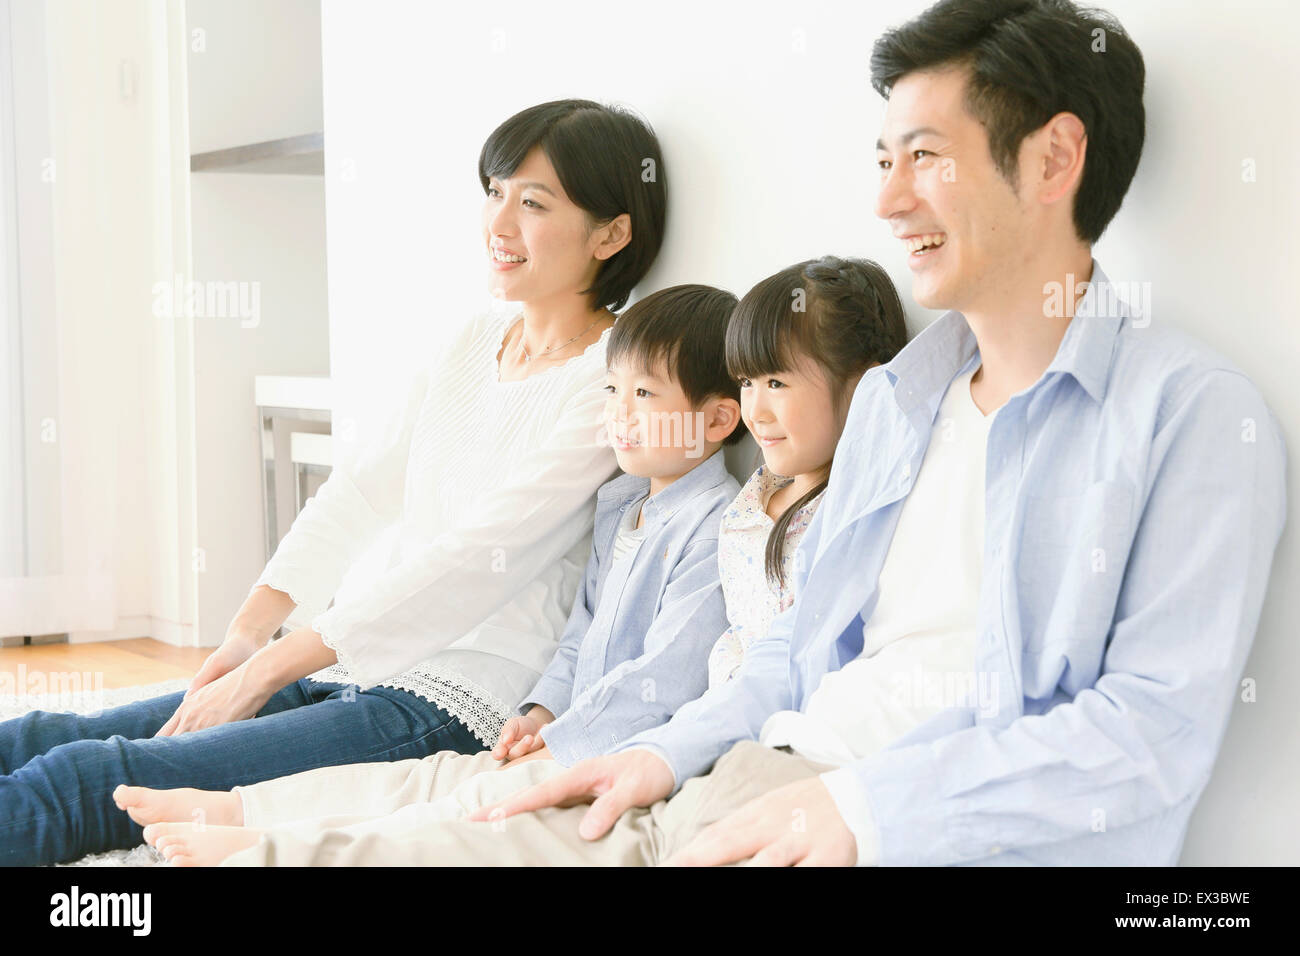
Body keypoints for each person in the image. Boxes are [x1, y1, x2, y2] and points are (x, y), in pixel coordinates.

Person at [163, 0, 1282, 867]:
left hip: (917, 830)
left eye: (927, 156)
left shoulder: (1188, 417)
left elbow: (1148, 735)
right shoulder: (899, 399)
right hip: (755, 778)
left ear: (1052, 160)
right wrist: (653, 749)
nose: (890, 202)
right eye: (882, 160)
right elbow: (800, 648)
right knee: (332, 849)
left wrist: (853, 806)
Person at [0, 98, 668, 866]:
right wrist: (249, 638)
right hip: (348, 660)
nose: (500, 224)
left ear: (612, 233)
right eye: (493, 193)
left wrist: (269, 673)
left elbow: (471, 562)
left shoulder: (614, 381)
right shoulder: (473, 342)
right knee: (45, 734)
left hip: (451, 700)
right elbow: (359, 492)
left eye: (534, 203)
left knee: (90, 779)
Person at [138, 255, 918, 866]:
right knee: (437, 781)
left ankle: (273, 850)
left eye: (777, 382)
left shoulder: (734, 517)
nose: (759, 408)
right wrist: (545, 707)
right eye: (751, 382)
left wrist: (575, 733)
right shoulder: (655, 505)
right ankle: (246, 810)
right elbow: (580, 631)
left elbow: (674, 671)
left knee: (468, 815)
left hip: (647, 737)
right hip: (590, 725)